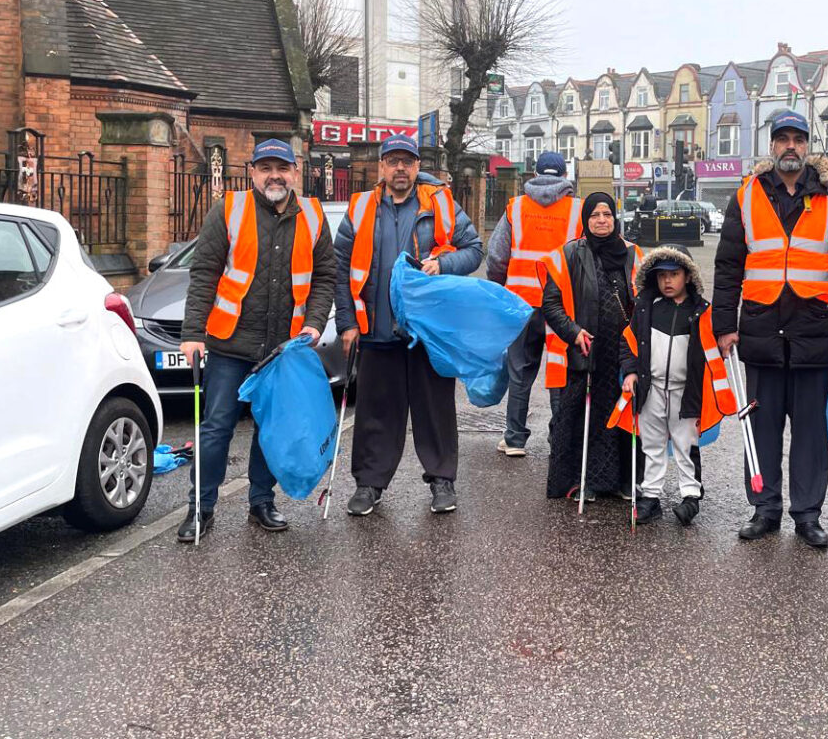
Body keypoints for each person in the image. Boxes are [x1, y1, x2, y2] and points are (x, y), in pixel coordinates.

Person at [712, 110, 828, 548]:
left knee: (810, 435)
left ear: (807, 146)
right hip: (760, 330)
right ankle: (764, 508)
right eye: (782, 139)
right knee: (760, 428)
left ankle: (807, 514)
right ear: (772, 146)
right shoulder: (746, 195)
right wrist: (724, 323)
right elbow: (727, 267)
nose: (790, 146)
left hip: (813, 330)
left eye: (798, 139)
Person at [178, 138, 336, 542]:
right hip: (230, 344)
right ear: (252, 173)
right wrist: (193, 334)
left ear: (296, 171)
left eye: (281, 168)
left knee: (272, 429)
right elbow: (204, 274)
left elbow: (324, 278)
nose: (274, 175)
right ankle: (202, 506)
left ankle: (261, 502)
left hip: (283, 349)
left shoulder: (314, 216)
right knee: (215, 429)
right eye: (265, 168)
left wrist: (315, 323)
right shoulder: (229, 210)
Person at [334, 135, 482, 516]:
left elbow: (473, 250)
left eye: (408, 161)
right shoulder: (361, 207)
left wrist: (443, 264)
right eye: (393, 161)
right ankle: (369, 485)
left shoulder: (441, 204)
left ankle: (441, 480)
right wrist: (348, 322)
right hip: (376, 330)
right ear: (381, 167)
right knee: (375, 414)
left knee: (435, 410)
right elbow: (338, 267)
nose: (400, 168)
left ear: (417, 167)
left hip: (427, 333)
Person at [619, 246, 734, 526]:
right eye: (662, 276)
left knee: (685, 444)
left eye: (674, 274)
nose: (667, 281)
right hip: (652, 388)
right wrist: (631, 372)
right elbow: (628, 343)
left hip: (686, 391)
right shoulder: (647, 309)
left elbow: (712, 351)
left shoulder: (701, 313)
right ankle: (650, 497)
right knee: (652, 444)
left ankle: (690, 497)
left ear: (688, 276)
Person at [541, 192, 642, 502]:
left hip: (621, 352)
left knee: (623, 414)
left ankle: (625, 480)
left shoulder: (631, 253)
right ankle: (582, 480)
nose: (601, 220)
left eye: (607, 215)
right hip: (585, 351)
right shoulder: (569, 254)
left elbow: (643, 298)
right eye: (595, 215)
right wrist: (573, 333)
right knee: (582, 418)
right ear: (585, 220)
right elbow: (551, 302)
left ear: (615, 218)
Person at [485, 151, 584, 458]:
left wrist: (501, 286)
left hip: (520, 304)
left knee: (519, 373)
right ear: (564, 175)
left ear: (534, 173)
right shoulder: (578, 210)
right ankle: (560, 440)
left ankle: (514, 439)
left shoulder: (516, 208)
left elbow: (497, 256)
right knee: (559, 372)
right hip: (562, 307)